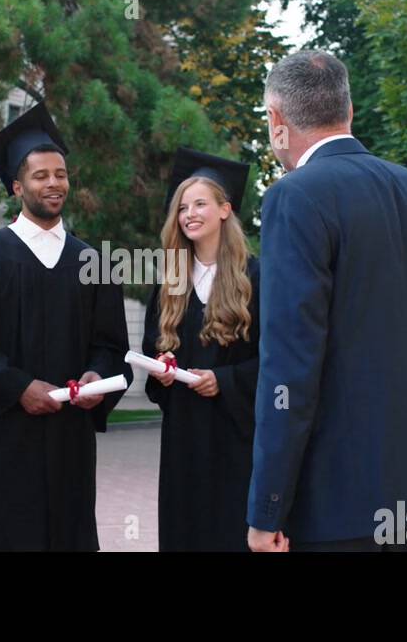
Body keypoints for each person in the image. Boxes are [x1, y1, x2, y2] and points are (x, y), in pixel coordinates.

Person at [247, 50, 407, 552]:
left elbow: (289, 365)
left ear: (276, 120)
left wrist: (268, 507)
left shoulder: (295, 196)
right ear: (349, 111)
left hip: (342, 500)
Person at [0, 102, 132, 551]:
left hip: (71, 442)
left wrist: (97, 380)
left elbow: (111, 347)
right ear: (16, 185)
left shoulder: (93, 262)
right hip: (6, 438)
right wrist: (18, 387)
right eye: (41, 175)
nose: (53, 183)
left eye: (60, 174)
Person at [142, 147, 258, 551]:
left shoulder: (255, 277)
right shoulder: (171, 282)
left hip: (236, 438)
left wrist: (224, 380)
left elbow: (278, 360)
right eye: (182, 207)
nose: (189, 213)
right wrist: (162, 368)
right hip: (183, 440)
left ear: (225, 209)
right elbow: (152, 352)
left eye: (200, 204)